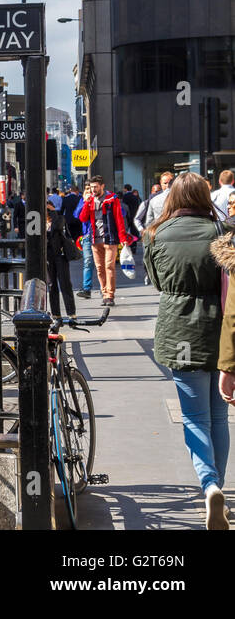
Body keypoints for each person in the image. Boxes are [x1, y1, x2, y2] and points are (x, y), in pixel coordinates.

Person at [145, 172, 230, 529]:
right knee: (219, 417)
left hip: (178, 328)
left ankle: (208, 485)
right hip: (221, 328)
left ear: (173, 197)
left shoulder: (156, 234)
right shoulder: (221, 232)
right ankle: (218, 487)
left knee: (194, 417)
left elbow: (155, 281)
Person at [79, 175, 136, 306]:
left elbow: (119, 219)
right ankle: (104, 293)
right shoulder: (90, 200)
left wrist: (122, 238)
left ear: (102, 186)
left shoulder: (112, 199)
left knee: (109, 266)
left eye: (95, 187)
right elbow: (83, 218)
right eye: (91, 187)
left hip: (110, 237)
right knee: (99, 268)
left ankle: (110, 295)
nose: (93, 190)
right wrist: (86, 203)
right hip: (95, 239)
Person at [45, 198, 77, 319]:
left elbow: (57, 226)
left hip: (61, 255)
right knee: (52, 285)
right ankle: (56, 314)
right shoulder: (39, 222)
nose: (47, 212)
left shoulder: (60, 219)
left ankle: (71, 312)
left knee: (65, 284)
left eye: (48, 210)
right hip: (48, 256)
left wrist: (53, 212)